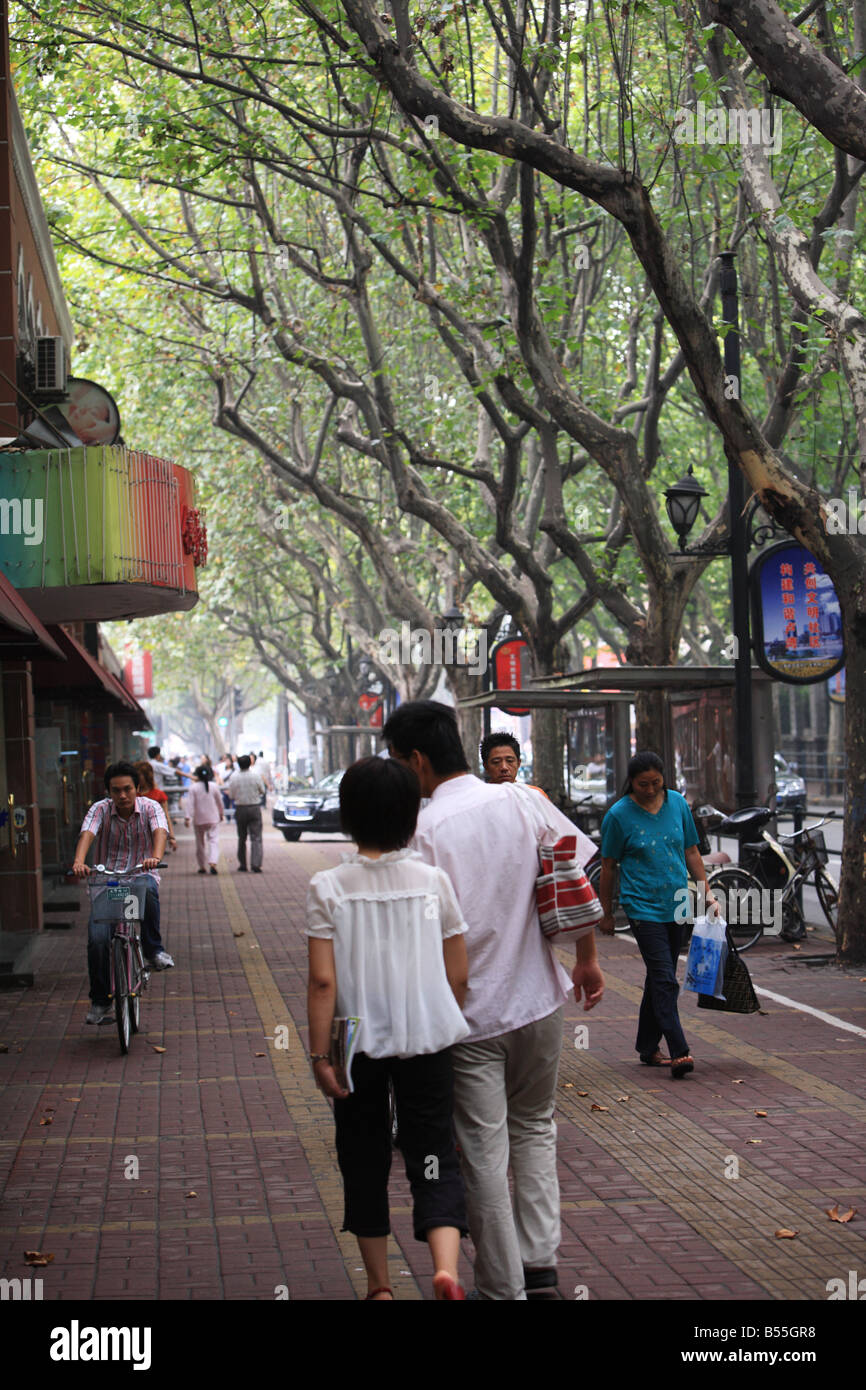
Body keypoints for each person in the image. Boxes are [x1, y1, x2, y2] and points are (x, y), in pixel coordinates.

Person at [381, 700, 604, 1301]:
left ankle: (502, 1288)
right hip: (540, 1003)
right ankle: (541, 1266)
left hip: (470, 1021)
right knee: (536, 1129)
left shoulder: (420, 834)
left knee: (482, 1154)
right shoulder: (521, 800)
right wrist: (586, 959)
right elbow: (576, 875)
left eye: (398, 760)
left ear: (417, 759)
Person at [305, 756, 471, 1301]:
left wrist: (319, 1056)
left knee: (363, 1155)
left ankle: (379, 1286)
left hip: (357, 1046)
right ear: (409, 815)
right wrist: (437, 1009)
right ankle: (444, 1267)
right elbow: (459, 972)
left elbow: (323, 983)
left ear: (348, 815)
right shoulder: (432, 881)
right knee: (433, 1151)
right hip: (428, 1038)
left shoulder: (328, 887)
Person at [597, 751, 716, 1079]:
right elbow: (608, 866)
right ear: (631, 783)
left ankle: (647, 1046)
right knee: (665, 977)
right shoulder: (619, 816)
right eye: (642, 784)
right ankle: (680, 1049)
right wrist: (606, 912)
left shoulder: (677, 803)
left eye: (656, 783)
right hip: (642, 905)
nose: (650, 790)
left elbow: (691, 851)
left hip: (677, 902)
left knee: (658, 977)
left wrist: (706, 893)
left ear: (664, 778)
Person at [70, 761, 173, 1024]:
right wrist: (79, 862)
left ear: (138, 788)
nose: (123, 795)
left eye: (128, 789)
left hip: (140, 877)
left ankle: (153, 950)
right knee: (98, 940)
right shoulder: (100, 809)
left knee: (149, 887)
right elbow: (87, 833)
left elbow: (160, 831)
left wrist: (155, 857)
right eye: (116, 791)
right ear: (109, 792)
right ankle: (101, 1001)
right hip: (108, 884)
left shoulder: (151, 807)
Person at [227, 754, 266, 872]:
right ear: (250, 763)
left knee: (242, 837)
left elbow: (231, 795)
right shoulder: (255, 775)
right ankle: (256, 864)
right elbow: (262, 791)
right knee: (256, 838)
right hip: (254, 808)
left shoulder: (234, 777)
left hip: (240, 808)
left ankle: (243, 864)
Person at [479, 730, 548, 796]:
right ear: (486, 766)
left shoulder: (535, 795)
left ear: (518, 763)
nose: (504, 767)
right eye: (496, 762)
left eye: (510, 761)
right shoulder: (479, 798)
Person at [183, 764, 225, 874]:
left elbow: (190, 804)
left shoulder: (193, 788)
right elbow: (219, 802)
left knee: (200, 843)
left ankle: (202, 866)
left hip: (199, 820)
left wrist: (187, 817)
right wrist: (221, 814)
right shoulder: (214, 786)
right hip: (213, 818)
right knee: (214, 841)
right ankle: (213, 862)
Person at [135, 759, 177, 853]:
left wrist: (171, 837)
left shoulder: (159, 794)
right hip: (135, 837)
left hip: (154, 836)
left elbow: (166, 816)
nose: (136, 778)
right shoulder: (132, 795)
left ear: (147, 776)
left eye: (139, 775)